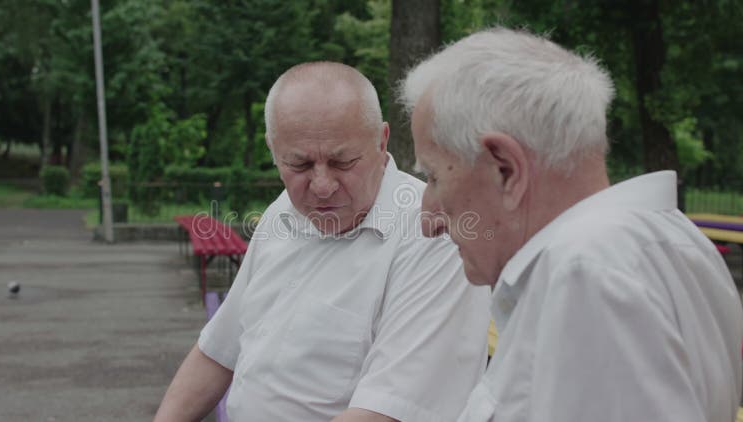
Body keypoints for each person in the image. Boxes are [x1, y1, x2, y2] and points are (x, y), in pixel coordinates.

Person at [400, 27, 743, 422]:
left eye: (434, 177)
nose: (428, 220)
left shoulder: (586, 275)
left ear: (506, 169)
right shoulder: (668, 239)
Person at [154, 62, 492, 422]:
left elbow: (385, 412)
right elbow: (218, 351)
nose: (321, 186)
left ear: (381, 141)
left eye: (342, 162)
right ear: (273, 149)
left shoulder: (432, 237)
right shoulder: (283, 210)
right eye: (298, 165)